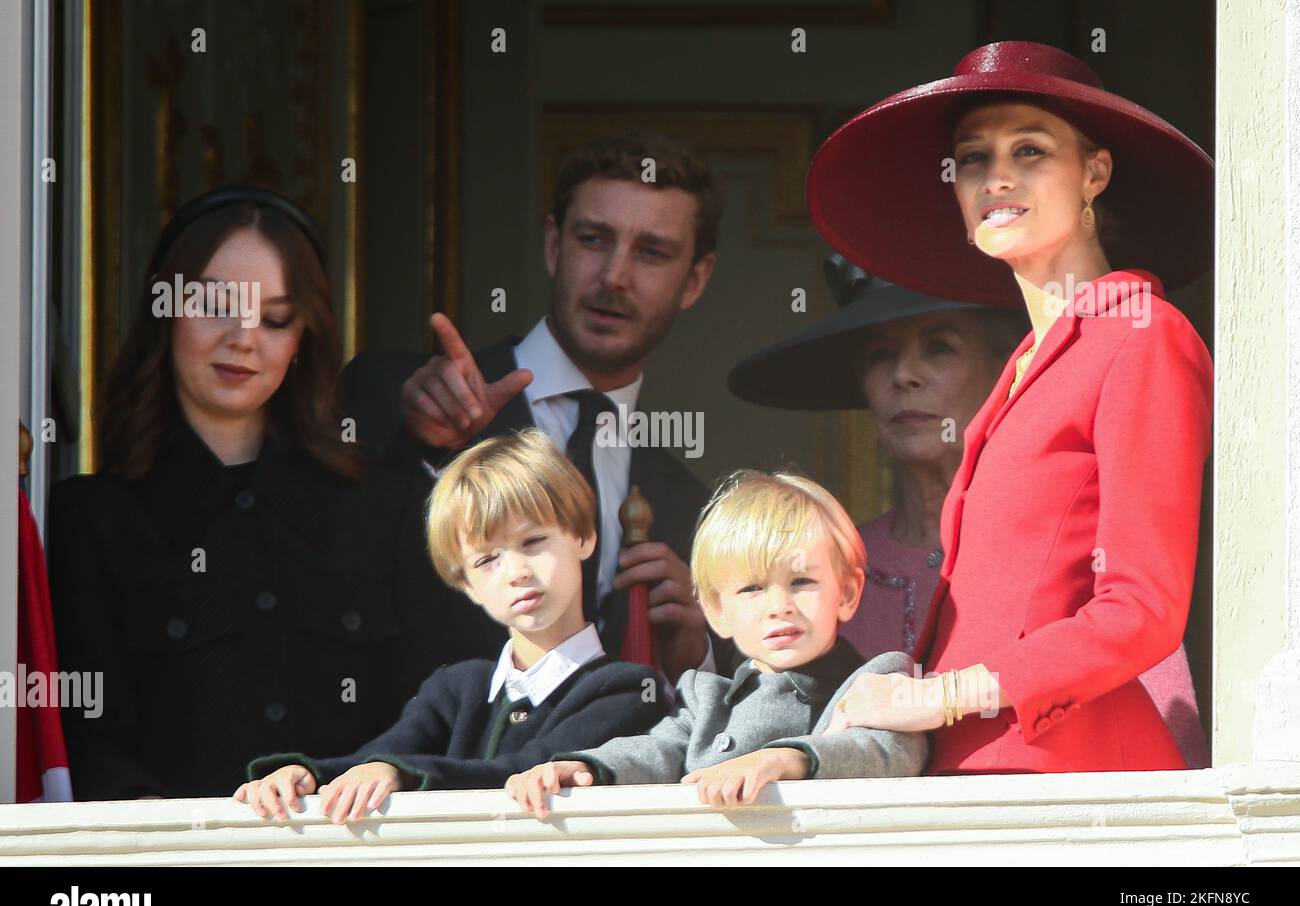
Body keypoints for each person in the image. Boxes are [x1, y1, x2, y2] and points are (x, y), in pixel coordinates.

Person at [809, 41, 1214, 773]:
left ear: (1095, 172)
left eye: (1030, 151)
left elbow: (1142, 610)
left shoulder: (1143, 336)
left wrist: (945, 697)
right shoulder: (1024, 365)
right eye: (972, 159)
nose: (996, 177)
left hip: (1074, 779)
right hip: (976, 780)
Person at [46, 186, 471, 800]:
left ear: (304, 339)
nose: (244, 338)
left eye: (275, 318)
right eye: (217, 305)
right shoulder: (91, 520)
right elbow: (88, 746)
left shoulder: (389, 504)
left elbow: (448, 707)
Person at [729, 255, 1210, 768]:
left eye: (939, 347)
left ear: (1010, 366)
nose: (904, 375)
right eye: (879, 355)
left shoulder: (1073, 557)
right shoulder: (822, 565)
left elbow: (1146, 675)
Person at [340, 129, 725, 681]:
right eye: (594, 239)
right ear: (553, 245)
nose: (615, 277)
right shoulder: (394, 397)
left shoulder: (689, 505)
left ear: (695, 280)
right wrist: (421, 449)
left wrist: (696, 656)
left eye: (651, 252)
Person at [236, 429, 668, 824]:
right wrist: (304, 775)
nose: (516, 571)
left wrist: (399, 774)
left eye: (533, 542)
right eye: (487, 560)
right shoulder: (454, 687)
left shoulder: (628, 687)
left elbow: (523, 772)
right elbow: (382, 756)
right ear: (467, 585)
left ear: (584, 536)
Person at [507, 470, 927, 817]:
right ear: (715, 611)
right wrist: (581, 765)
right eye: (751, 589)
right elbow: (656, 750)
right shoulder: (707, 699)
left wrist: (786, 759)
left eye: (801, 582)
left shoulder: (872, 682)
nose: (779, 606)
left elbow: (889, 750)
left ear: (849, 593)